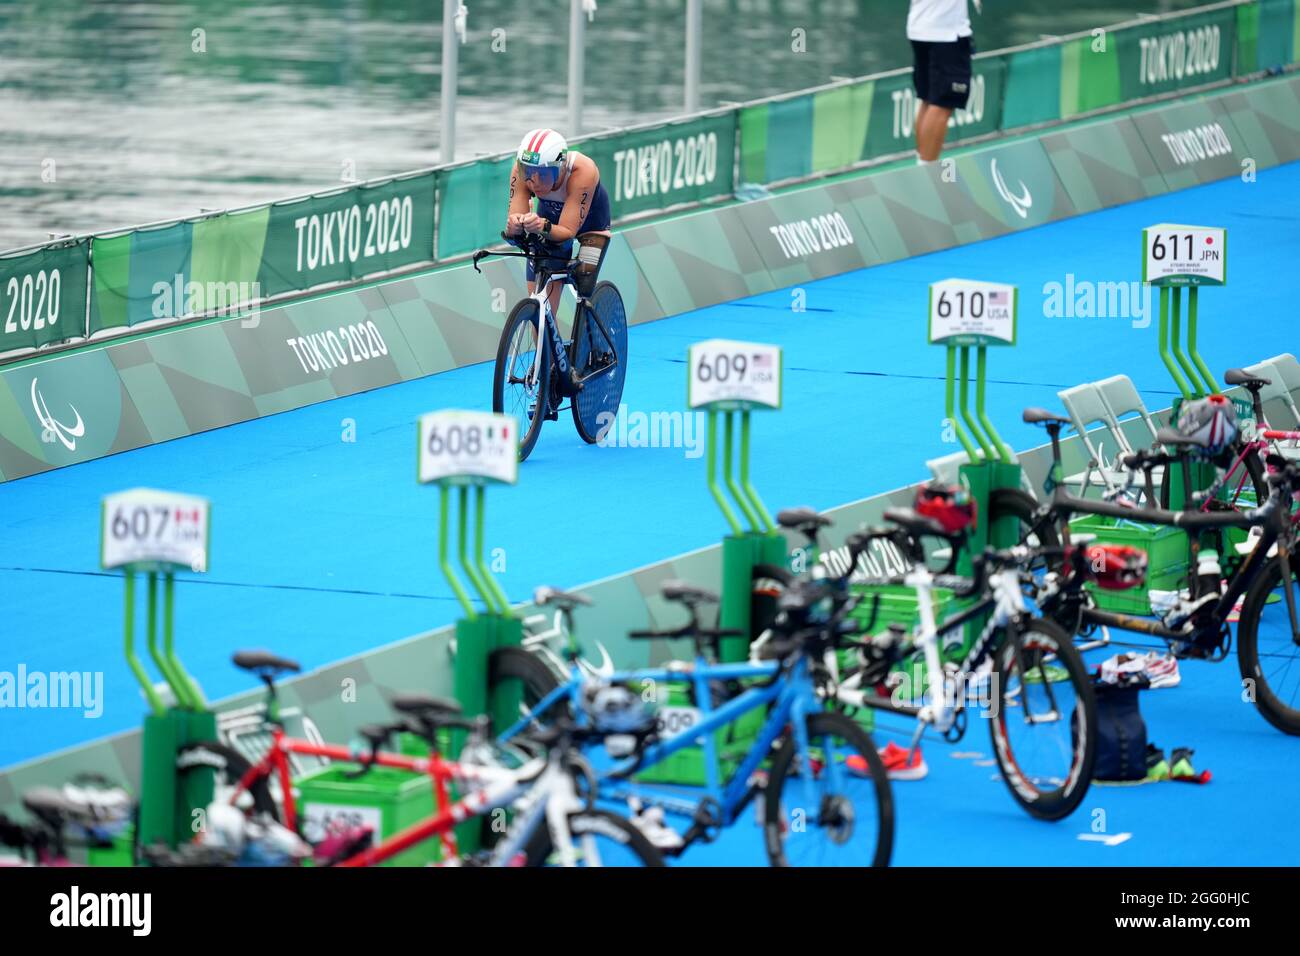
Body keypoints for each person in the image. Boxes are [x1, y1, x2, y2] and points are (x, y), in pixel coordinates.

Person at [504, 128, 612, 321]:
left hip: (592, 225)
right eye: (529, 172)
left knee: (583, 283)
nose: (534, 181)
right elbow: (515, 223)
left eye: (543, 174)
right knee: (540, 307)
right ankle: (545, 350)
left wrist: (542, 226)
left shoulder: (583, 171)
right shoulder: (521, 169)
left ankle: (589, 338)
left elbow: (568, 232)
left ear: (560, 168)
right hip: (549, 222)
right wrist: (514, 227)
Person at [907, 0, 979, 165]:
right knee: (941, 105)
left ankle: (922, 165)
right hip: (945, 33)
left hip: (920, 28)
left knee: (928, 100)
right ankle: (927, 171)